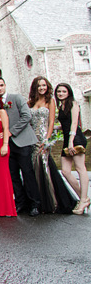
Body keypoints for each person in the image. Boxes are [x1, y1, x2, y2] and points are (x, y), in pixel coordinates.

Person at [0, 76, 40, 216]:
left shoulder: (16, 98)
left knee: (27, 173)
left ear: (5, 85)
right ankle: (20, 203)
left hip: (22, 141)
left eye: (1, 85)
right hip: (6, 145)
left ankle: (35, 204)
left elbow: (27, 116)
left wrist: (11, 132)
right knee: (13, 175)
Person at [28, 77, 75, 214]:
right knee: (33, 168)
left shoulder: (50, 101)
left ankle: (51, 202)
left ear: (47, 87)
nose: (42, 88)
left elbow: (51, 122)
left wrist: (47, 140)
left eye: (44, 85)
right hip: (31, 139)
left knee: (44, 166)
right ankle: (36, 201)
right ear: (35, 87)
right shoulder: (30, 102)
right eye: (39, 86)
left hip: (43, 138)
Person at [55, 82, 89, 215]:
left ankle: (83, 201)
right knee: (65, 171)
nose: (61, 93)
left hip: (76, 139)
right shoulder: (61, 106)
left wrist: (71, 142)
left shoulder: (73, 104)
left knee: (80, 168)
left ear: (68, 93)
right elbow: (65, 124)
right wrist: (51, 127)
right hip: (67, 139)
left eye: (64, 91)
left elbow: (74, 123)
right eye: (59, 91)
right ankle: (83, 198)